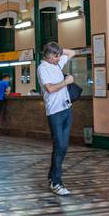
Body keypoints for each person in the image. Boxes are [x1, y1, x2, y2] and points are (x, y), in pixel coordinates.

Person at [37, 42, 75, 196]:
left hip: (66, 108)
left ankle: (52, 177)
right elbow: (50, 88)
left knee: (64, 146)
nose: (59, 58)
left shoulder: (57, 63)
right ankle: (56, 182)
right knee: (59, 145)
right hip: (55, 112)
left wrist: (58, 49)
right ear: (47, 56)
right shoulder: (43, 68)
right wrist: (66, 82)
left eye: (59, 55)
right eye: (55, 56)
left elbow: (72, 52)